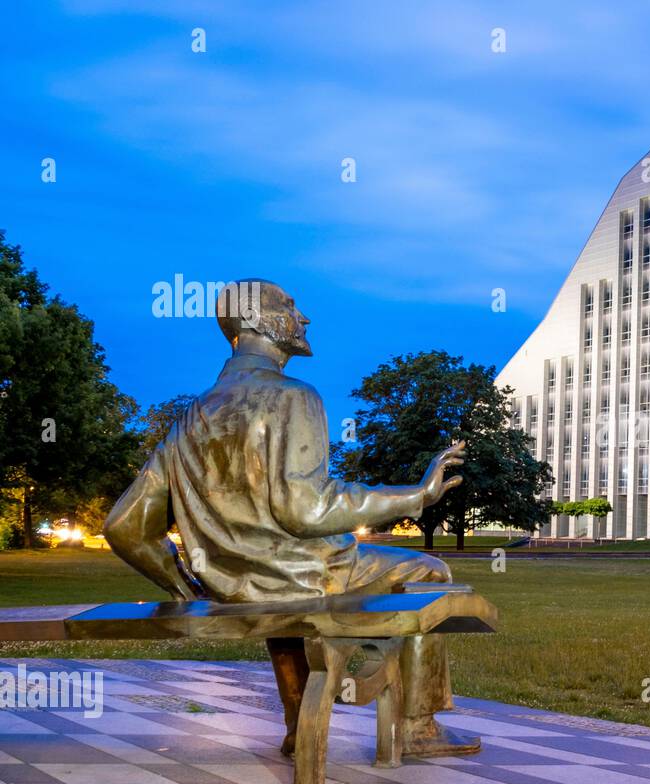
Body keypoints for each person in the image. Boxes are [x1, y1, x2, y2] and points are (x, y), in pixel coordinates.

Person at [104, 279, 471, 756]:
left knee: (283, 603)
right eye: (291, 306)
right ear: (257, 320)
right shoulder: (294, 396)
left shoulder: (191, 416)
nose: (304, 317)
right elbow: (308, 508)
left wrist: (183, 585)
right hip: (306, 576)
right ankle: (420, 727)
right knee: (430, 572)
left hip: (236, 587)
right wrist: (414, 496)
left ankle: (301, 725)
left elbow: (124, 527)